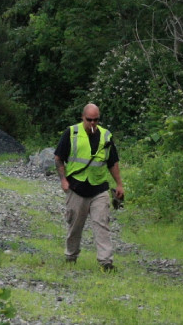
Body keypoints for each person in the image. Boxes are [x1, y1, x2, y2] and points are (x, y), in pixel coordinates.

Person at [54, 103, 125, 272]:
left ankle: (106, 262)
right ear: (82, 117)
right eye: (89, 120)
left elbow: (112, 162)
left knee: (102, 224)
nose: (93, 123)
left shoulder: (106, 136)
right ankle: (71, 256)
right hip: (76, 188)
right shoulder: (71, 133)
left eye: (96, 120)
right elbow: (58, 158)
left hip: (99, 188)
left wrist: (119, 184)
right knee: (75, 226)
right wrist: (63, 180)